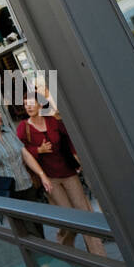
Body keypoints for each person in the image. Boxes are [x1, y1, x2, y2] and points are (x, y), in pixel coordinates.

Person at [16, 89, 106, 255]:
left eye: (31, 103)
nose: (28, 106)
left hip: (68, 172)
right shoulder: (23, 128)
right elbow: (21, 152)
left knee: (85, 214)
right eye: (25, 104)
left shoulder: (53, 122)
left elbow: (68, 140)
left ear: (40, 104)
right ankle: (66, 249)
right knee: (68, 218)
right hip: (49, 178)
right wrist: (38, 150)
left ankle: (100, 255)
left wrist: (76, 158)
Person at [0, 103, 51, 237]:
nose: (0, 115)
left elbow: (25, 154)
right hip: (9, 193)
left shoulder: (8, 131)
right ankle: (38, 256)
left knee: (37, 227)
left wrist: (42, 175)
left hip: (27, 186)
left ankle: (43, 254)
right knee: (26, 231)